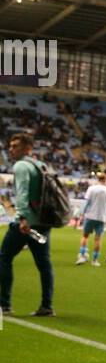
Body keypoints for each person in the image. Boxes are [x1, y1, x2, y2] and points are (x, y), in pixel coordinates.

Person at [0, 130, 55, 316]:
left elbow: (22, 194)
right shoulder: (41, 166)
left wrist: (22, 219)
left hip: (25, 223)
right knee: (44, 264)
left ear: (27, 148)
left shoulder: (21, 166)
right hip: (43, 222)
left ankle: (4, 304)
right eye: (10, 145)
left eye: (15, 146)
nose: (11, 149)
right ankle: (46, 306)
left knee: (4, 258)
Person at [77, 171, 106, 266]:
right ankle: (95, 260)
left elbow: (87, 203)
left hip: (90, 215)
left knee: (85, 236)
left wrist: (82, 214)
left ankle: (82, 256)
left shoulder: (92, 188)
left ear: (98, 179)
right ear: (105, 180)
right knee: (98, 239)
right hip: (101, 217)